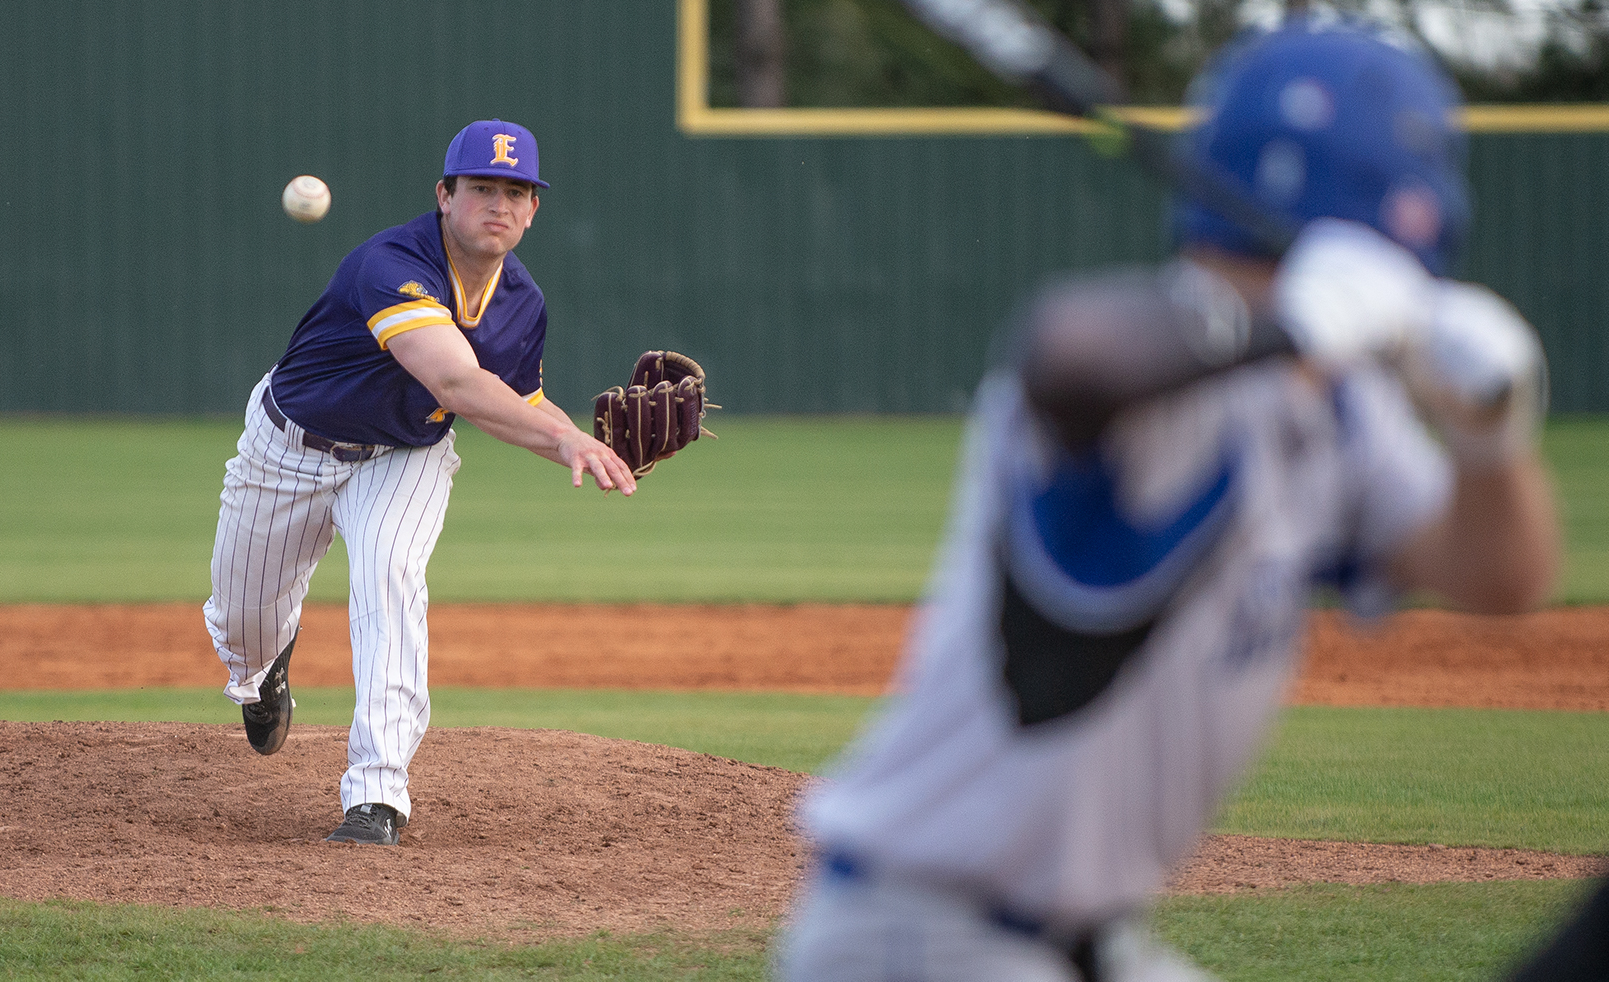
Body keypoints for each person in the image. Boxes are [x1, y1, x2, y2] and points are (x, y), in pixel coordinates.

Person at [775, 21, 1561, 982]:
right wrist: (1300, 320)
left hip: (1085, 941)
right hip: (921, 936)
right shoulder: (1153, 389)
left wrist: (1492, 438)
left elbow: (1500, 577)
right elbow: (1067, 352)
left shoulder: (1342, 412)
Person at [203, 119, 636, 847]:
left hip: (405, 455)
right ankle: (262, 670)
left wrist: (582, 443)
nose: (499, 203)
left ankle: (377, 795)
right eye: (482, 187)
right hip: (288, 448)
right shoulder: (391, 263)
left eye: (517, 191)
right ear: (444, 194)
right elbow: (456, 379)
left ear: (534, 210)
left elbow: (521, 401)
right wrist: (563, 436)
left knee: (391, 580)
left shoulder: (522, 301)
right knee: (241, 625)